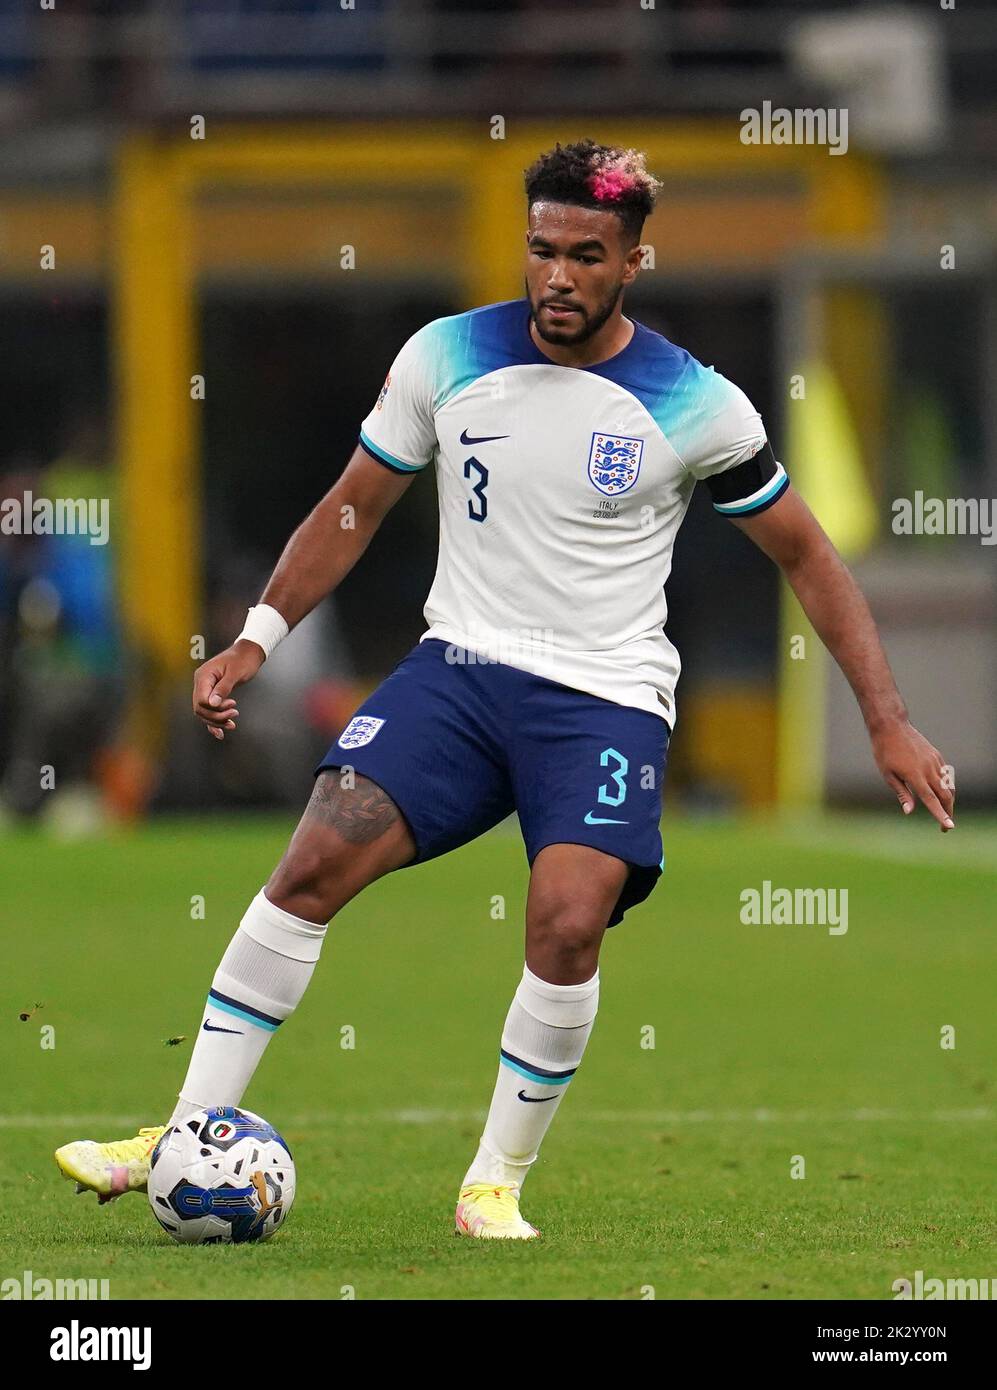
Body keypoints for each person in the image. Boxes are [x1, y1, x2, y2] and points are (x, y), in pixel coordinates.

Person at [55, 139, 954, 1239]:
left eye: (586, 254)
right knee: (314, 858)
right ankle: (184, 1128)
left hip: (604, 698)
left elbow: (809, 555)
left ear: (632, 261)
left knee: (568, 922)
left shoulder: (693, 403)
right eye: (541, 249)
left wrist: (888, 719)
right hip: (461, 672)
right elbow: (352, 507)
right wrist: (256, 636)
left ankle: (493, 1181)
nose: (558, 275)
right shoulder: (446, 355)